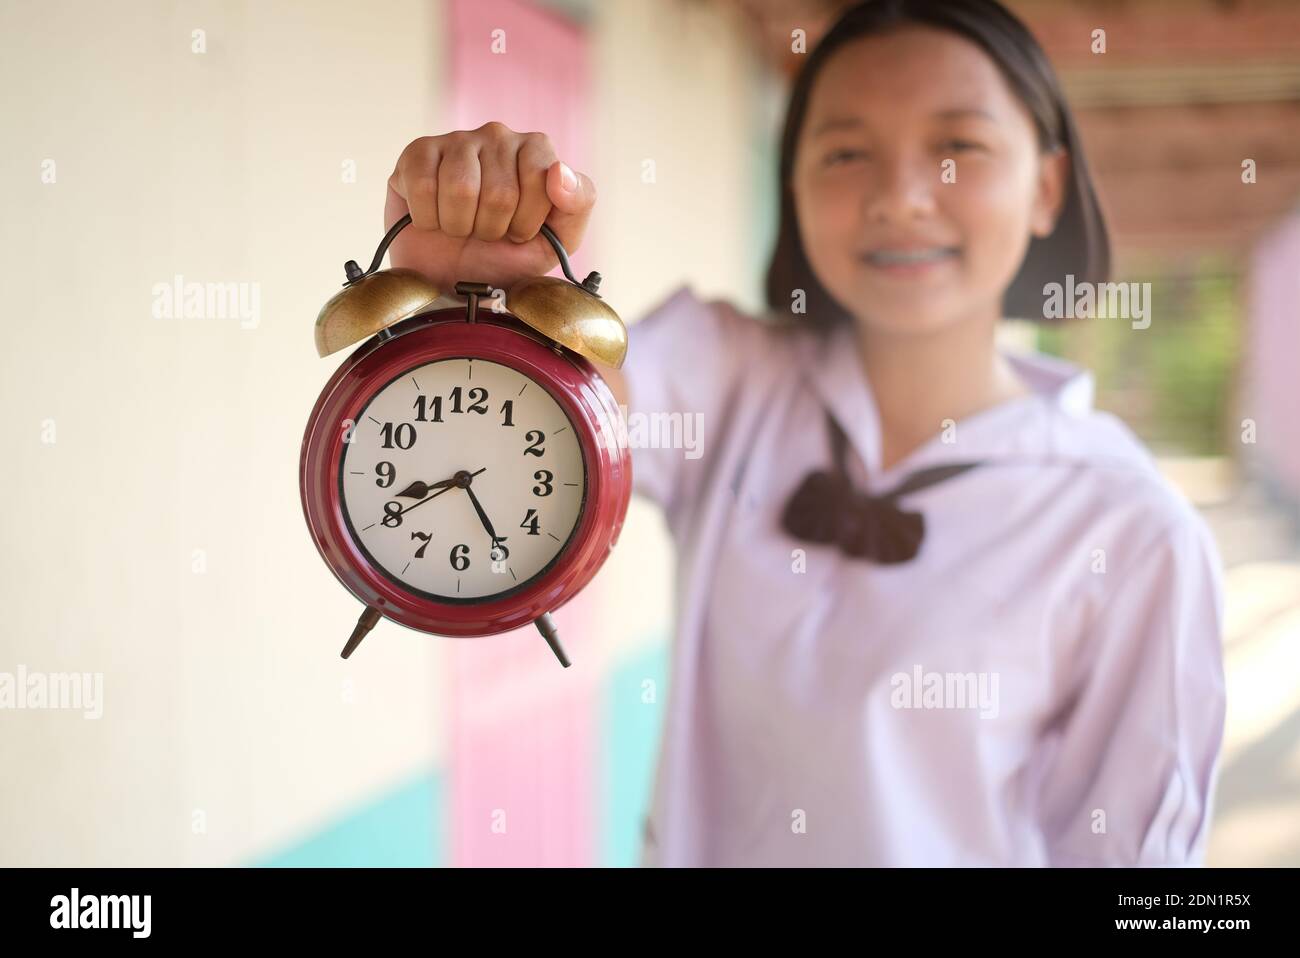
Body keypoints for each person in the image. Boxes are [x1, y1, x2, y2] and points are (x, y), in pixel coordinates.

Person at [384, 0, 1226, 867]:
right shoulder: (723, 378)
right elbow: (541, 424)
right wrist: (481, 308)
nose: (899, 197)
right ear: (794, 187)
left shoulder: (1131, 533)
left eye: (957, 147)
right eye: (846, 152)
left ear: (1045, 187)